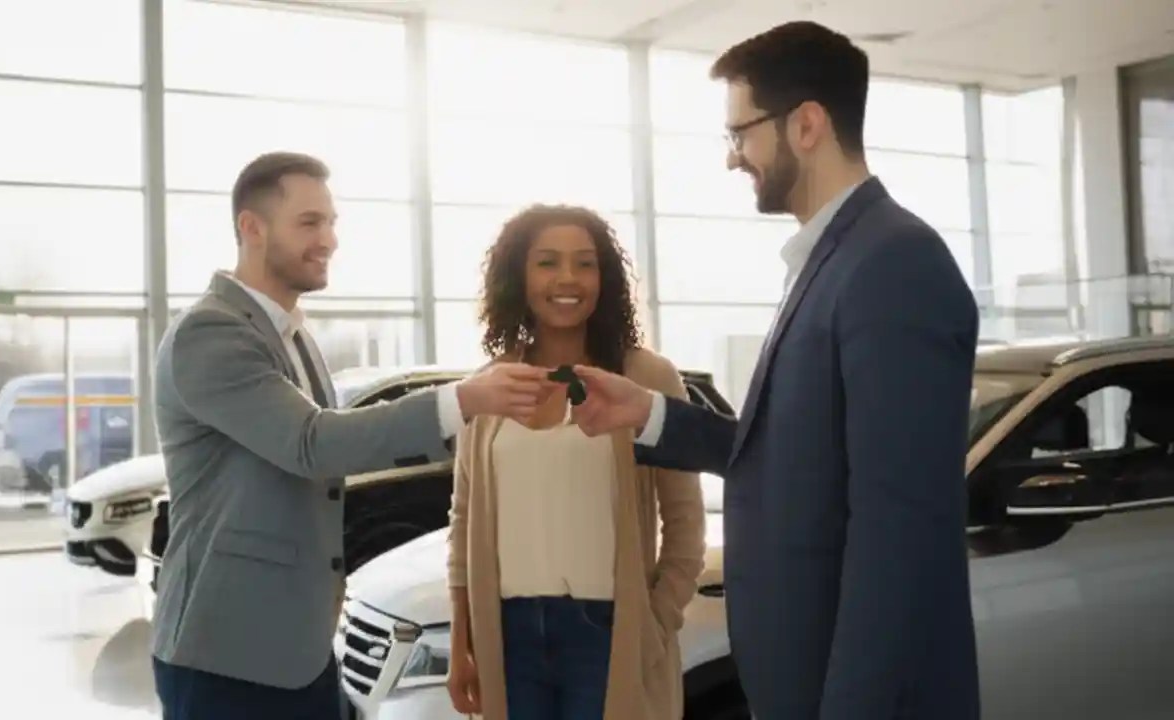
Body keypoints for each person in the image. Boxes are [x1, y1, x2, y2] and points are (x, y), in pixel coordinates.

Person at [570, 22, 981, 720]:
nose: (734, 157)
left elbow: (897, 536)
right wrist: (649, 414)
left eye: (741, 133)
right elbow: (790, 456)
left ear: (808, 124)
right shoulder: (834, 262)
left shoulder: (894, 264)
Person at [149, 151, 552, 720]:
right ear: (251, 228)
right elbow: (313, 443)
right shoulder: (210, 334)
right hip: (227, 653)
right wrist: (463, 399)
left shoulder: (294, 334)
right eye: (310, 222)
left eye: (332, 222)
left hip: (298, 648)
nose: (330, 239)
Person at [444, 204, 706, 720]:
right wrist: (462, 644)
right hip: (509, 636)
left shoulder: (646, 377)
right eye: (547, 262)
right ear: (518, 275)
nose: (568, 278)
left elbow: (684, 520)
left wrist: (655, 623)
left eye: (585, 263)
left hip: (607, 634)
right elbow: (462, 518)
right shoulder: (493, 381)